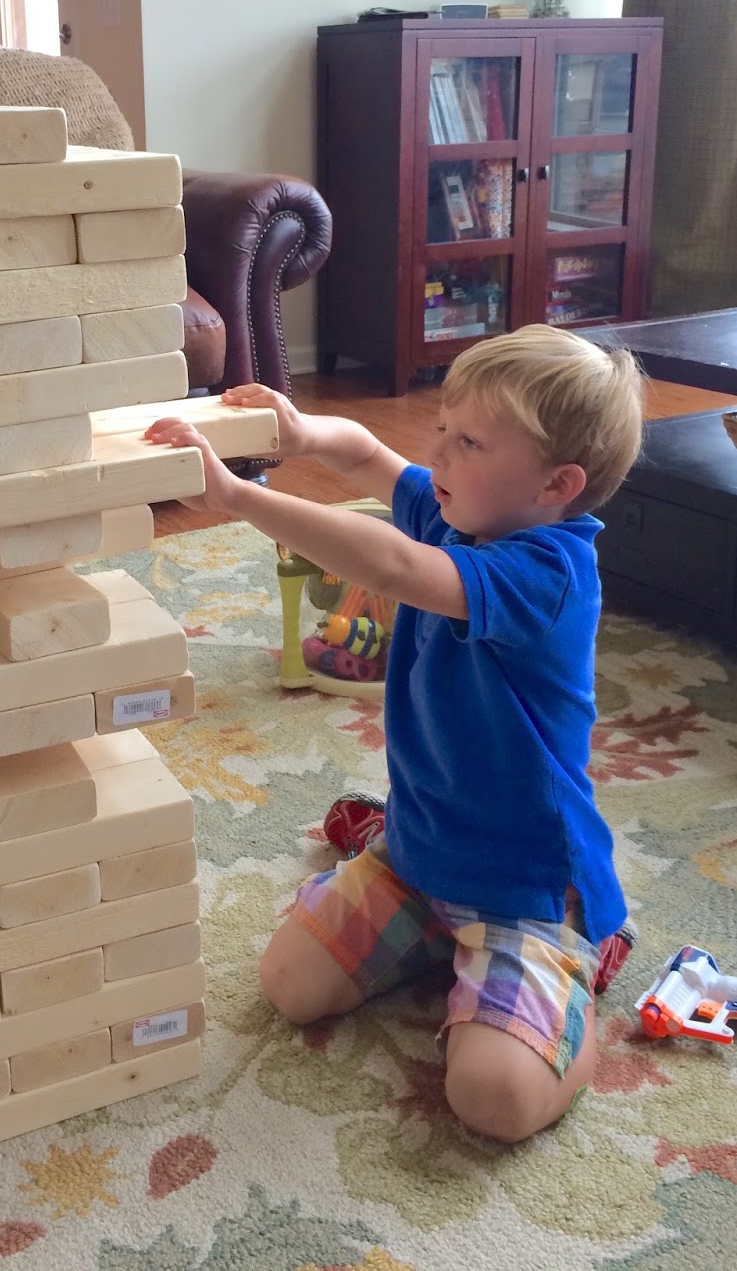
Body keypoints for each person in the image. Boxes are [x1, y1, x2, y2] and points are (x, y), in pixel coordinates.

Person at [146, 325, 643, 1143]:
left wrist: (237, 498)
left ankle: (577, 969)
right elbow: (368, 454)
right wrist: (301, 432)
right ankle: (437, 924)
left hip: (523, 883)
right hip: (419, 851)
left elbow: (392, 566)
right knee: (290, 986)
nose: (435, 452)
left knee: (492, 1100)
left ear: (555, 485)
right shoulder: (461, 509)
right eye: (443, 427)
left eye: (467, 442)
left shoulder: (548, 573)